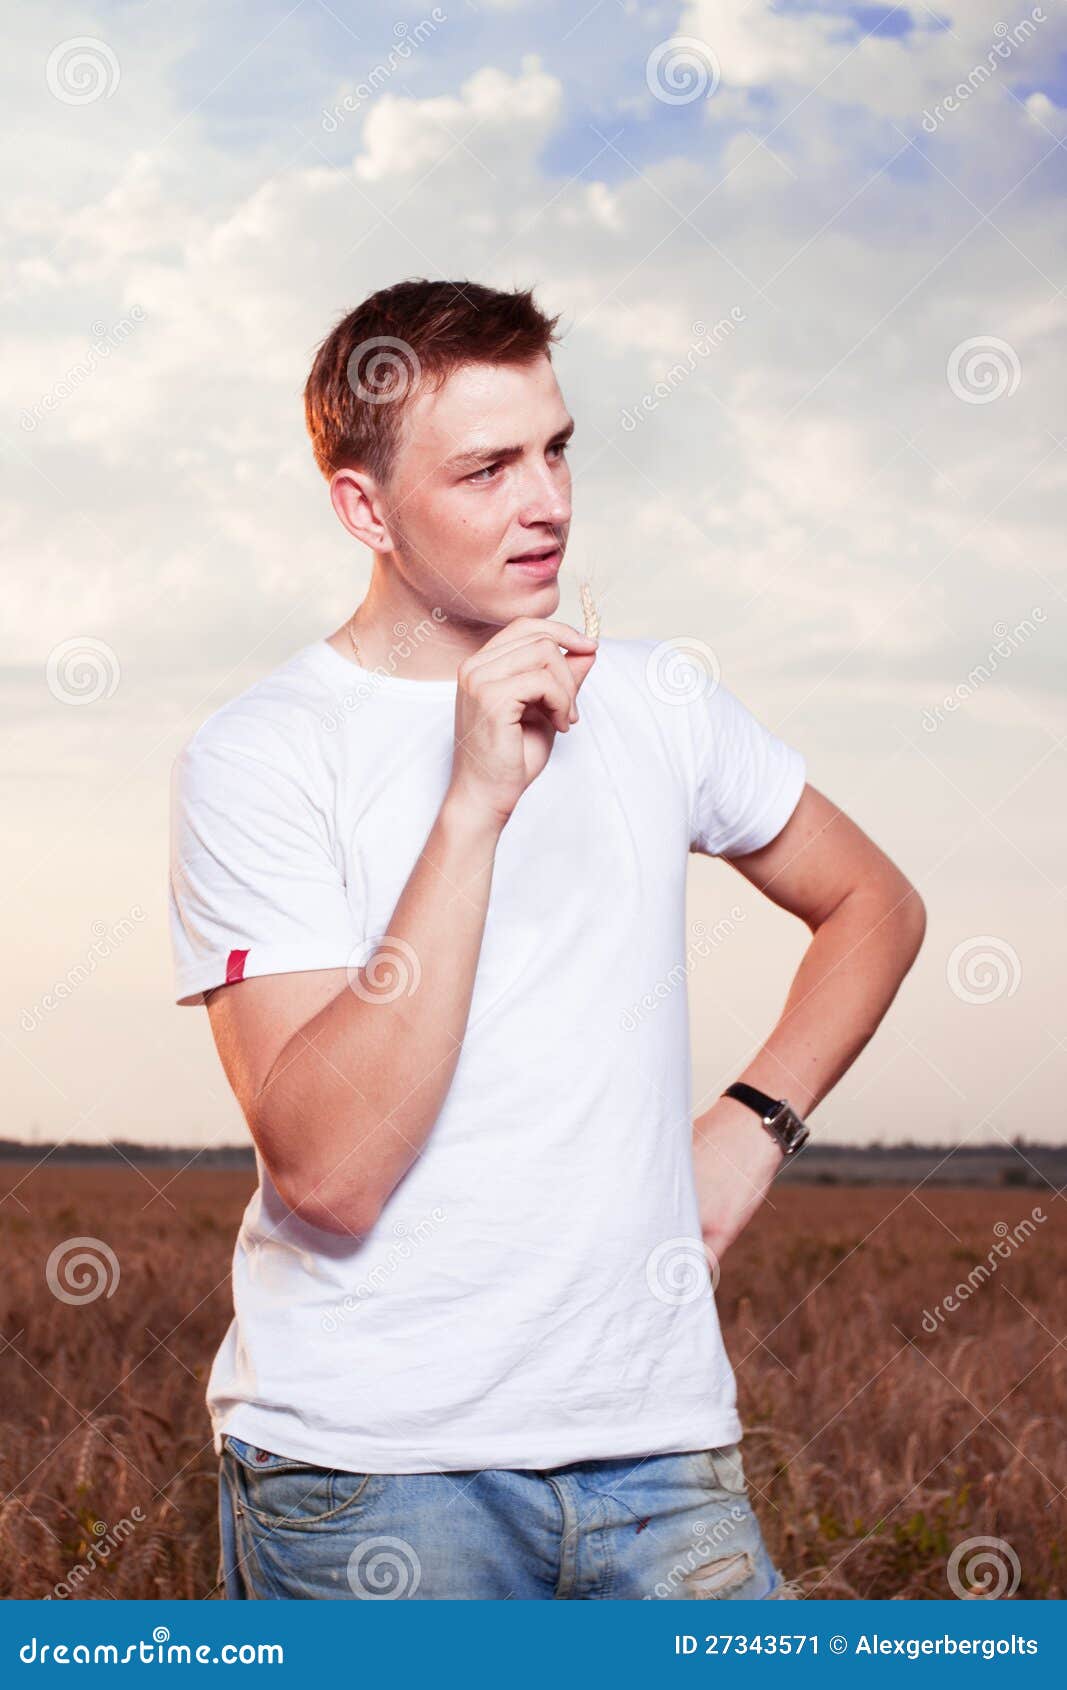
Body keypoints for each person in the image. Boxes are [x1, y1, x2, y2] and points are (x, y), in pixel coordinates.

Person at [168, 277, 926, 1601]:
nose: (548, 502)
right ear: (364, 508)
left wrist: (754, 1124)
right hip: (374, 1478)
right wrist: (473, 806)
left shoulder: (660, 699)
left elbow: (878, 906)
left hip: (663, 1457)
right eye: (486, 469)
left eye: (556, 449)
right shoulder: (260, 754)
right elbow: (331, 1172)